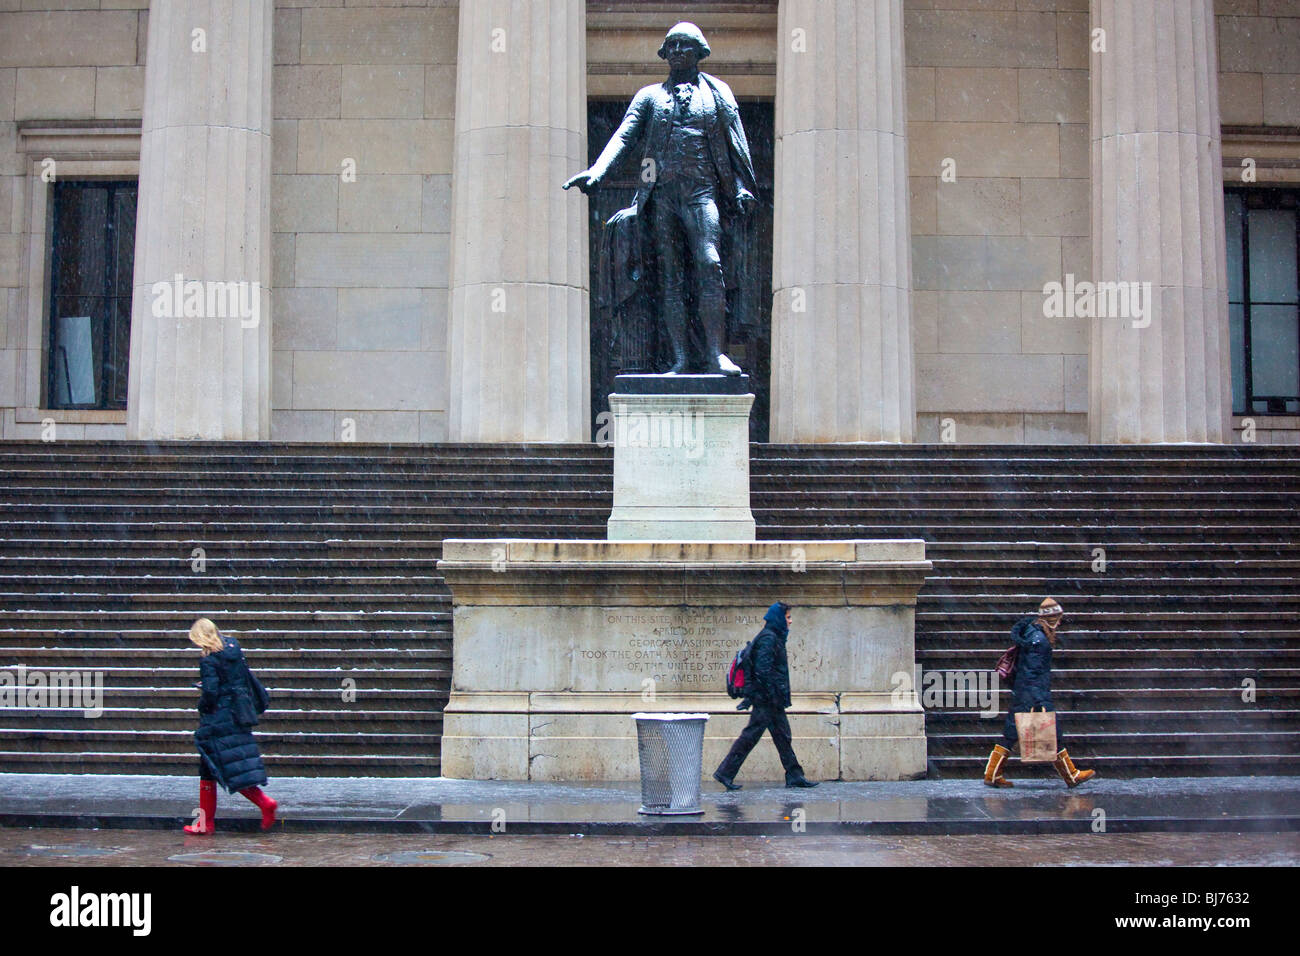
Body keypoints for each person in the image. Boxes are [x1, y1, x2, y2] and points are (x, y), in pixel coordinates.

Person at [563, 21, 758, 376]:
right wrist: (598, 172)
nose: (678, 52)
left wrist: (742, 186)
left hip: (702, 192)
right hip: (661, 195)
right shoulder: (650, 96)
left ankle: (715, 354)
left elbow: (735, 143)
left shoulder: (718, 94)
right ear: (664, 54)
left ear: (700, 52)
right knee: (671, 277)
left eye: (685, 45)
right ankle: (681, 358)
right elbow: (625, 136)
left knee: (708, 263)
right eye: (672, 46)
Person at [984, 598, 1096, 789]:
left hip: (1024, 692)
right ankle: (1071, 775)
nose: (1059, 622)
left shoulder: (1033, 635)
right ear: (1051, 618)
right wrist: (1038, 699)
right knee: (1052, 731)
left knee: (1012, 733)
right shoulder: (1039, 640)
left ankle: (992, 773)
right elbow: (1033, 672)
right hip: (1033, 693)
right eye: (1057, 618)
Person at [183, 618, 277, 833]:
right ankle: (205, 823)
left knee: (229, 769)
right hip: (237, 714)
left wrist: (203, 704)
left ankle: (264, 803)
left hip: (218, 720)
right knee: (209, 768)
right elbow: (238, 680)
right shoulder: (233, 649)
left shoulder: (208, 659)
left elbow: (211, 693)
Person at [713, 602, 819, 789]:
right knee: (752, 736)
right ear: (779, 618)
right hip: (767, 701)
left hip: (770, 700)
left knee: (782, 736)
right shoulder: (769, 638)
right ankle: (725, 772)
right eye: (788, 617)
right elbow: (763, 671)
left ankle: (794, 774)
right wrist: (772, 695)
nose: (791, 621)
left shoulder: (772, 637)